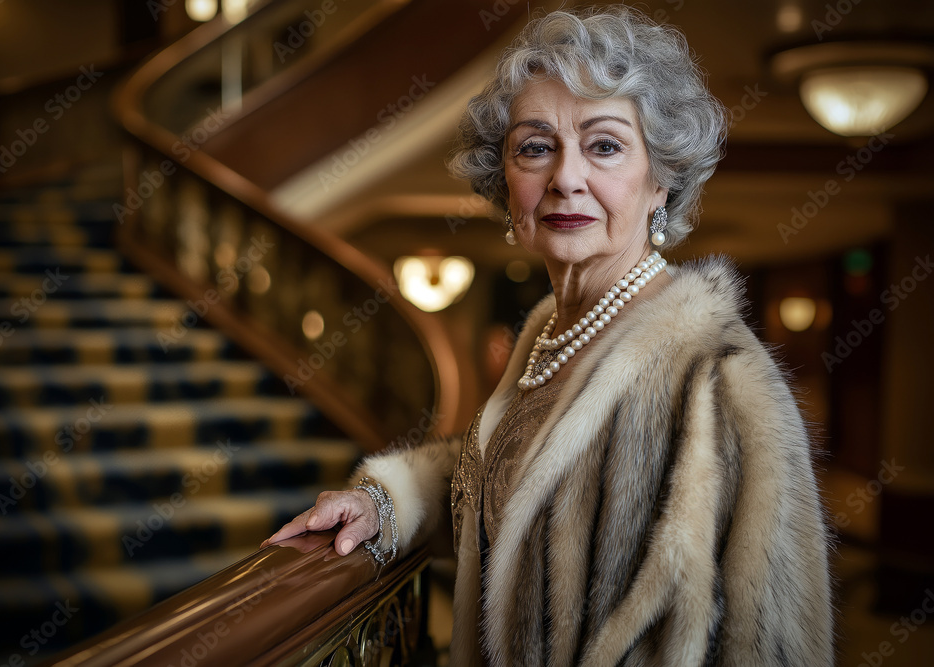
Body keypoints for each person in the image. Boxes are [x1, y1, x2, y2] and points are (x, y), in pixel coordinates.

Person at [266, 7, 834, 665]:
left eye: (605, 145)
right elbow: (508, 474)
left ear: (661, 179)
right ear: (506, 186)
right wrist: (385, 502)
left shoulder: (720, 379)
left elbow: (780, 646)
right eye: (536, 147)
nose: (566, 178)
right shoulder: (549, 336)